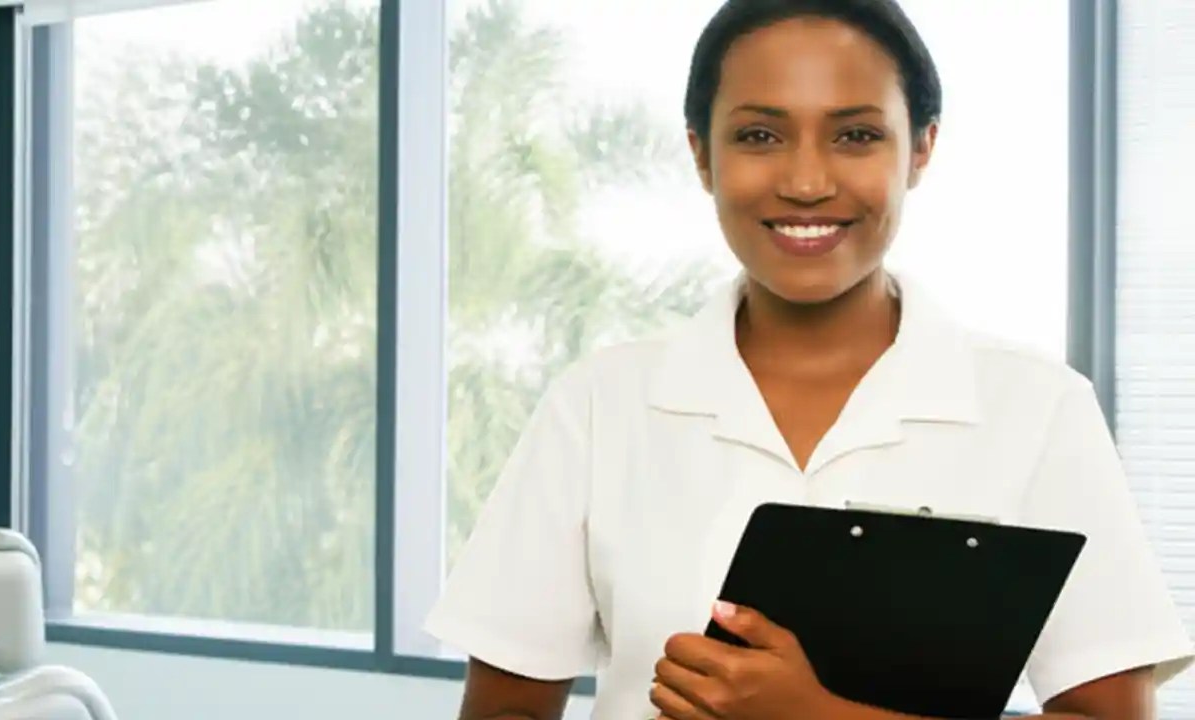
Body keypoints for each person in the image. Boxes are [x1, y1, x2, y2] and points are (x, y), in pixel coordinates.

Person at [423, 0, 1194, 717]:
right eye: (759, 135)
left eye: (856, 134)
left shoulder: (1039, 409)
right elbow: (509, 707)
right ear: (701, 155)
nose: (805, 181)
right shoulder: (599, 404)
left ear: (922, 147)